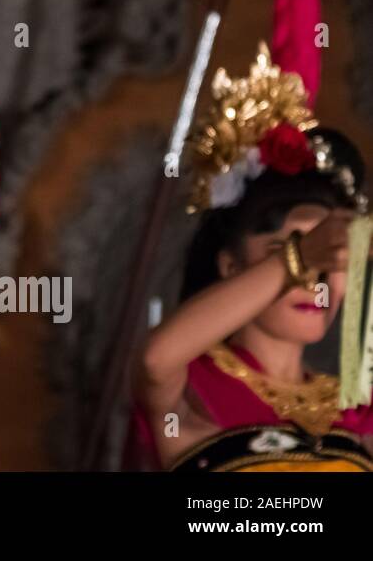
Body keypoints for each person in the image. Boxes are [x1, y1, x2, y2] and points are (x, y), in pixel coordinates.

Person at [133, 45, 373, 471]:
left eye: (331, 255)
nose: (313, 278)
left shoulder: (355, 411)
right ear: (231, 266)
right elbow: (156, 360)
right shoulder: (195, 391)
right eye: (286, 247)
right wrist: (302, 257)